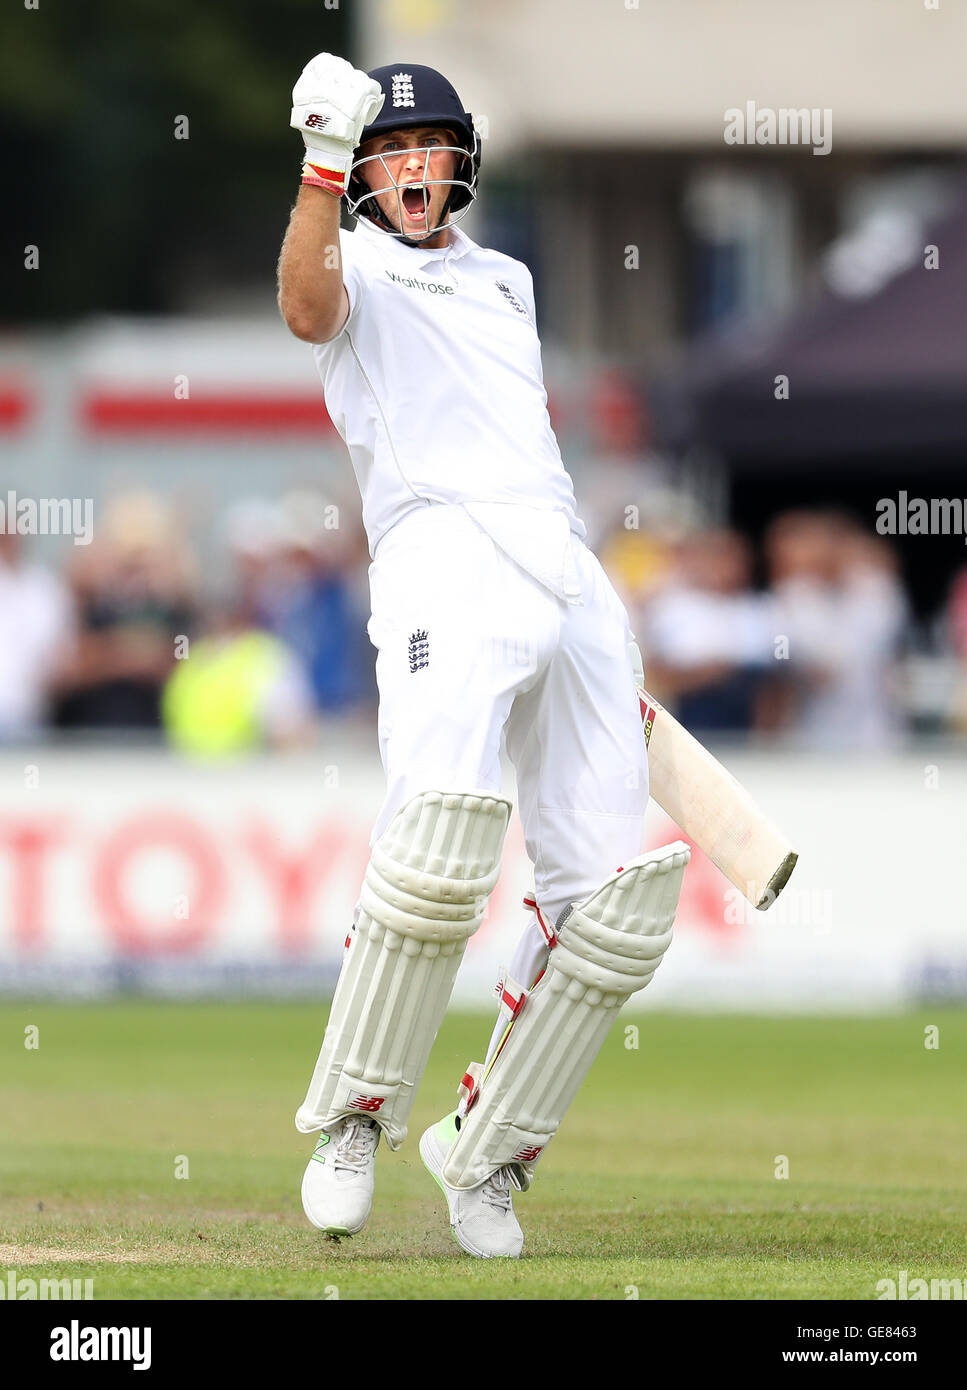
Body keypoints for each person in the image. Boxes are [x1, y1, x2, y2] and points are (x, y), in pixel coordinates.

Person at [277, 53, 688, 1259]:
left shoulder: (506, 276)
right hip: (439, 558)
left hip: (563, 565)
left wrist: (603, 623)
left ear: (458, 164)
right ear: (364, 171)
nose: (414, 168)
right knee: (441, 837)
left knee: (606, 907)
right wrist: (314, 161)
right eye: (390, 151)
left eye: (432, 149)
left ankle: (488, 1150)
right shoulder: (346, 263)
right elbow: (303, 309)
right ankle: (356, 1116)